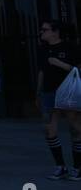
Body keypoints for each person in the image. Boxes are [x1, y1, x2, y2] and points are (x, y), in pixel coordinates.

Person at [37, 19, 81, 180]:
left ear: (55, 32)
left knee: (75, 128)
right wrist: (38, 92)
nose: (42, 32)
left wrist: (59, 64)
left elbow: (77, 70)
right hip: (49, 92)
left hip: (68, 91)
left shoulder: (70, 47)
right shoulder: (43, 49)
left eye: (45, 29)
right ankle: (60, 166)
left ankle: (77, 167)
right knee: (49, 129)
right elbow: (41, 71)